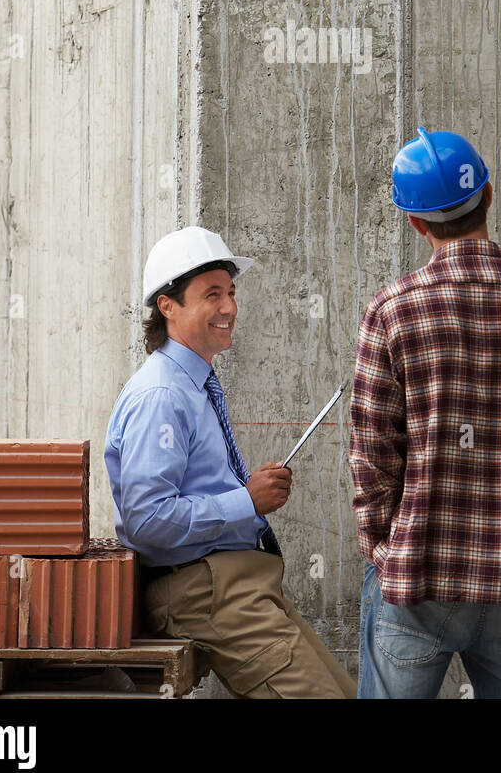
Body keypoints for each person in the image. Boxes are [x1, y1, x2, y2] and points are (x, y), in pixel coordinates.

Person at [350, 128, 501, 698]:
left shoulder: (391, 312)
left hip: (418, 576)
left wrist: (384, 546)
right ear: (487, 195)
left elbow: (372, 457)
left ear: (415, 223)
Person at [104, 225, 356, 699]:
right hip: (206, 590)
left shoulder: (191, 385)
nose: (229, 308)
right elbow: (146, 520)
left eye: (232, 293)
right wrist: (245, 501)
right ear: (168, 306)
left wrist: (247, 493)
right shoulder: (162, 395)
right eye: (212, 294)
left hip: (236, 583)